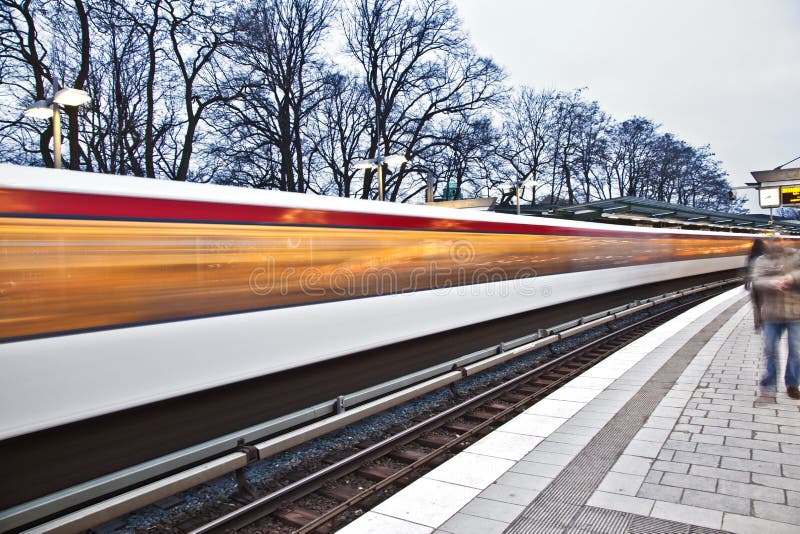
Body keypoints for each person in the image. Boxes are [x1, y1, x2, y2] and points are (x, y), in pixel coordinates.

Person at [750, 238, 800, 399]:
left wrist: (791, 277)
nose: (776, 243)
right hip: (771, 313)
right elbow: (756, 281)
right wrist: (772, 282)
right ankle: (770, 384)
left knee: (796, 351)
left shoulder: (795, 256)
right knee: (770, 349)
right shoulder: (762, 260)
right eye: (772, 240)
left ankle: (792, 384)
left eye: (779, 239)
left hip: (796, 312)